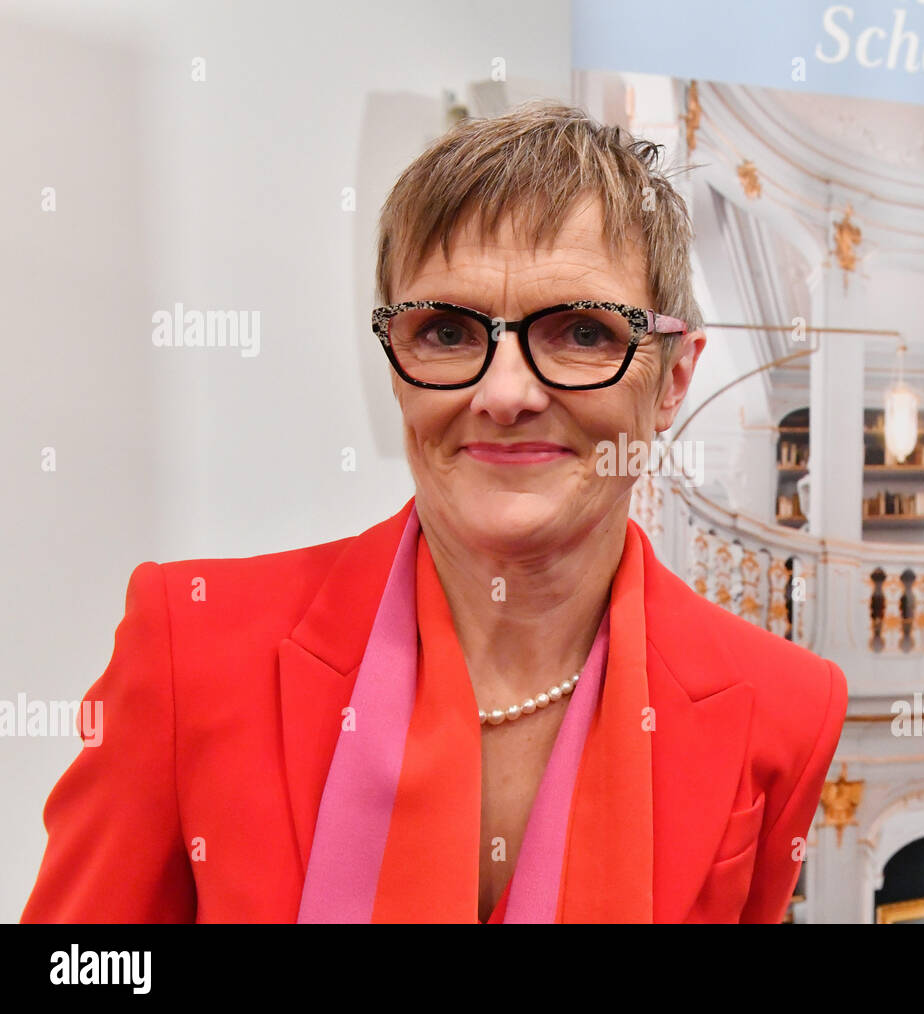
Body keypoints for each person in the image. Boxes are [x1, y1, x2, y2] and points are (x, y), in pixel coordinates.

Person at [22, 99, 848, 924]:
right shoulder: (190, 650)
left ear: (672, 378)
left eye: (583, 333)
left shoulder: (783, 710)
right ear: (396, 361)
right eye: (449, 332)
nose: (506, 394)